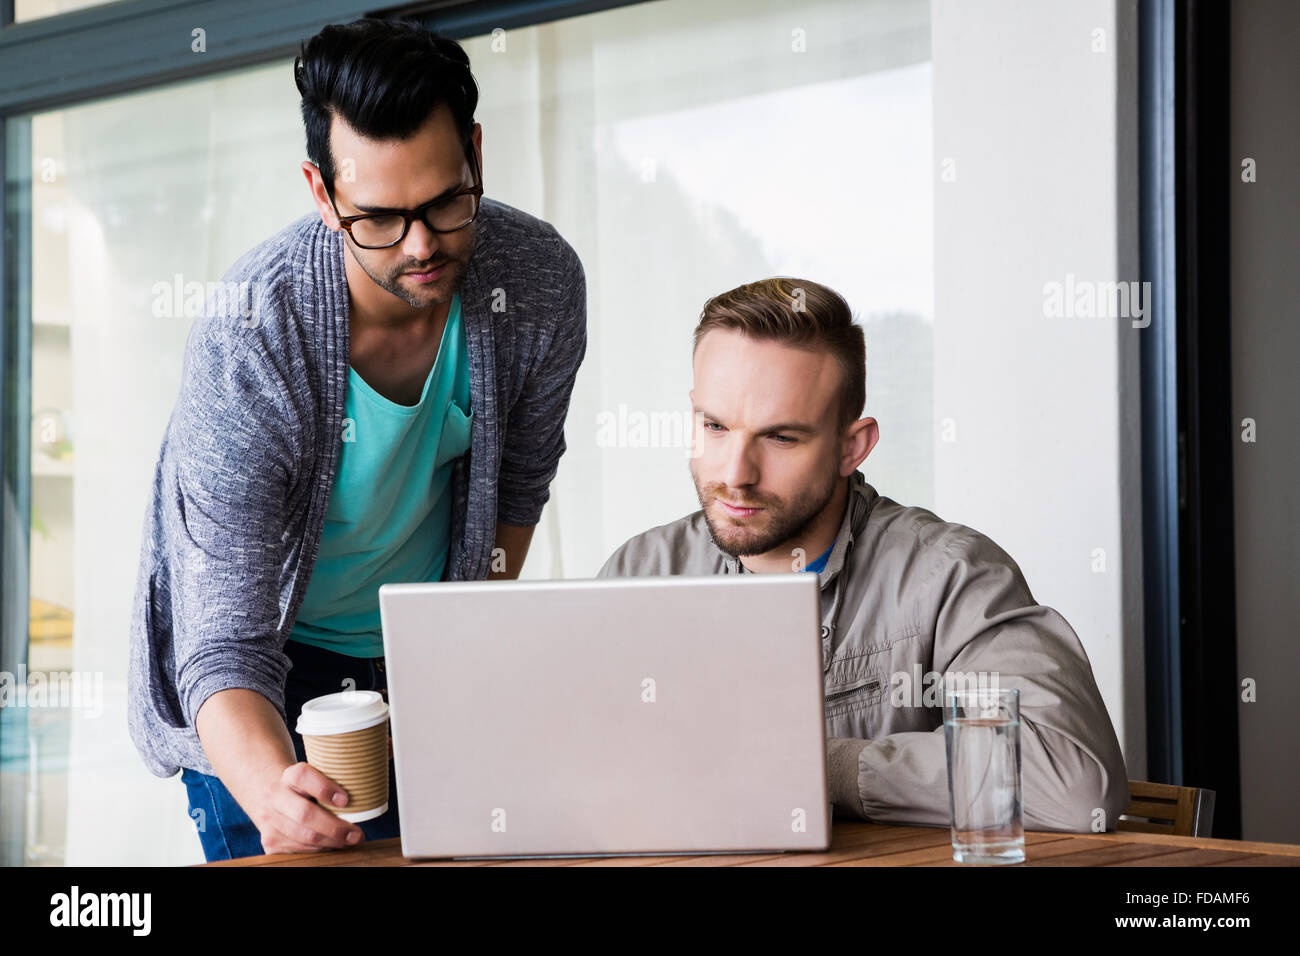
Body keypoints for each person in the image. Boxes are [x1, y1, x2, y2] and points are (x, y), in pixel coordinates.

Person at [127, 18, 587, 861]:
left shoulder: (538, 281)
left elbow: (519, 488)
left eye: (445, 202)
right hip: (263, 677)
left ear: (476, 153)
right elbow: (223, 637)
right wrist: (271, 791)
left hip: (422, 658)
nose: (423, 245)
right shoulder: (253, 334)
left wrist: (455, 658)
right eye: (378, 217)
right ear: (322, 192)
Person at [597, 277, 1128, 831]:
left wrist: (816, 765)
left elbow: (1073, 784)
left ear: (851, 446)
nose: (735, 474)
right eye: (716, 426)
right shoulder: (638, 573)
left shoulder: (950, 577)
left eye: (780, 438)